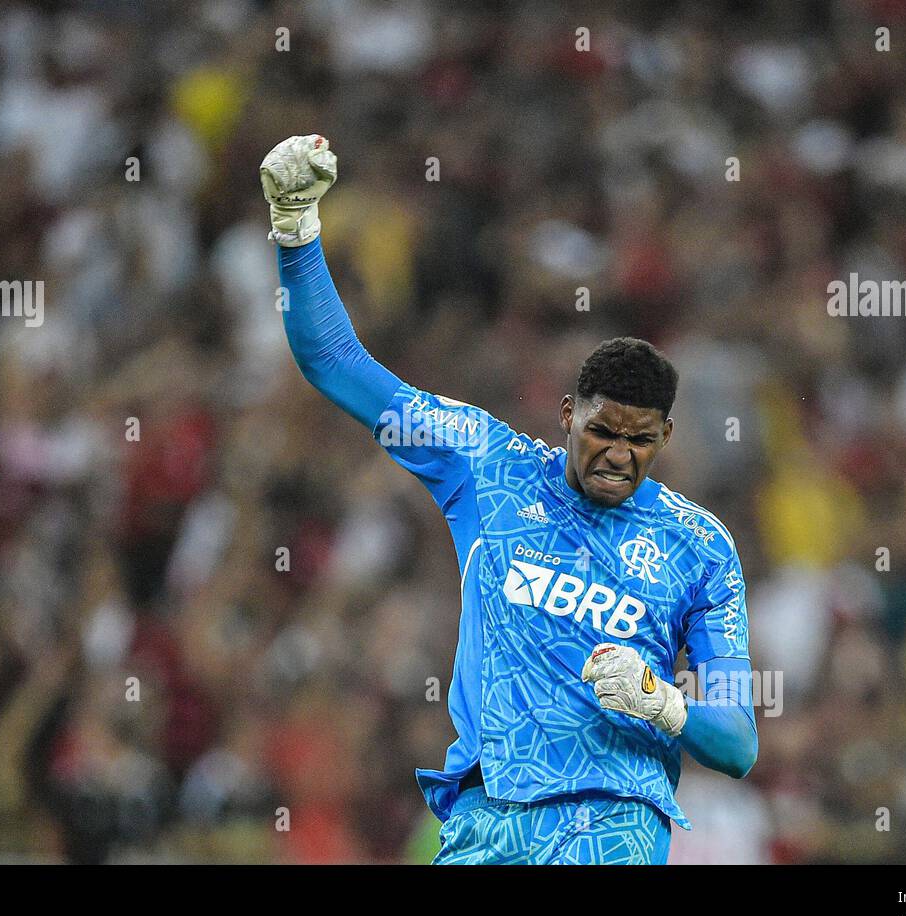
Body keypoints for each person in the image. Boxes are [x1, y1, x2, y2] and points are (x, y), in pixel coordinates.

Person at [261, 135, 758, 864]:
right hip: (484, 821)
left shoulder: (701, 545)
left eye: (641, 441)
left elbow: (739, 742)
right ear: (567, 414)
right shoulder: (486, 462)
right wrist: (295, 226)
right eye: (601, 432)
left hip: (612, 821)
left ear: (666, 436)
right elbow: (335, 362)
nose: (618, 455)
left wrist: (665, 701)